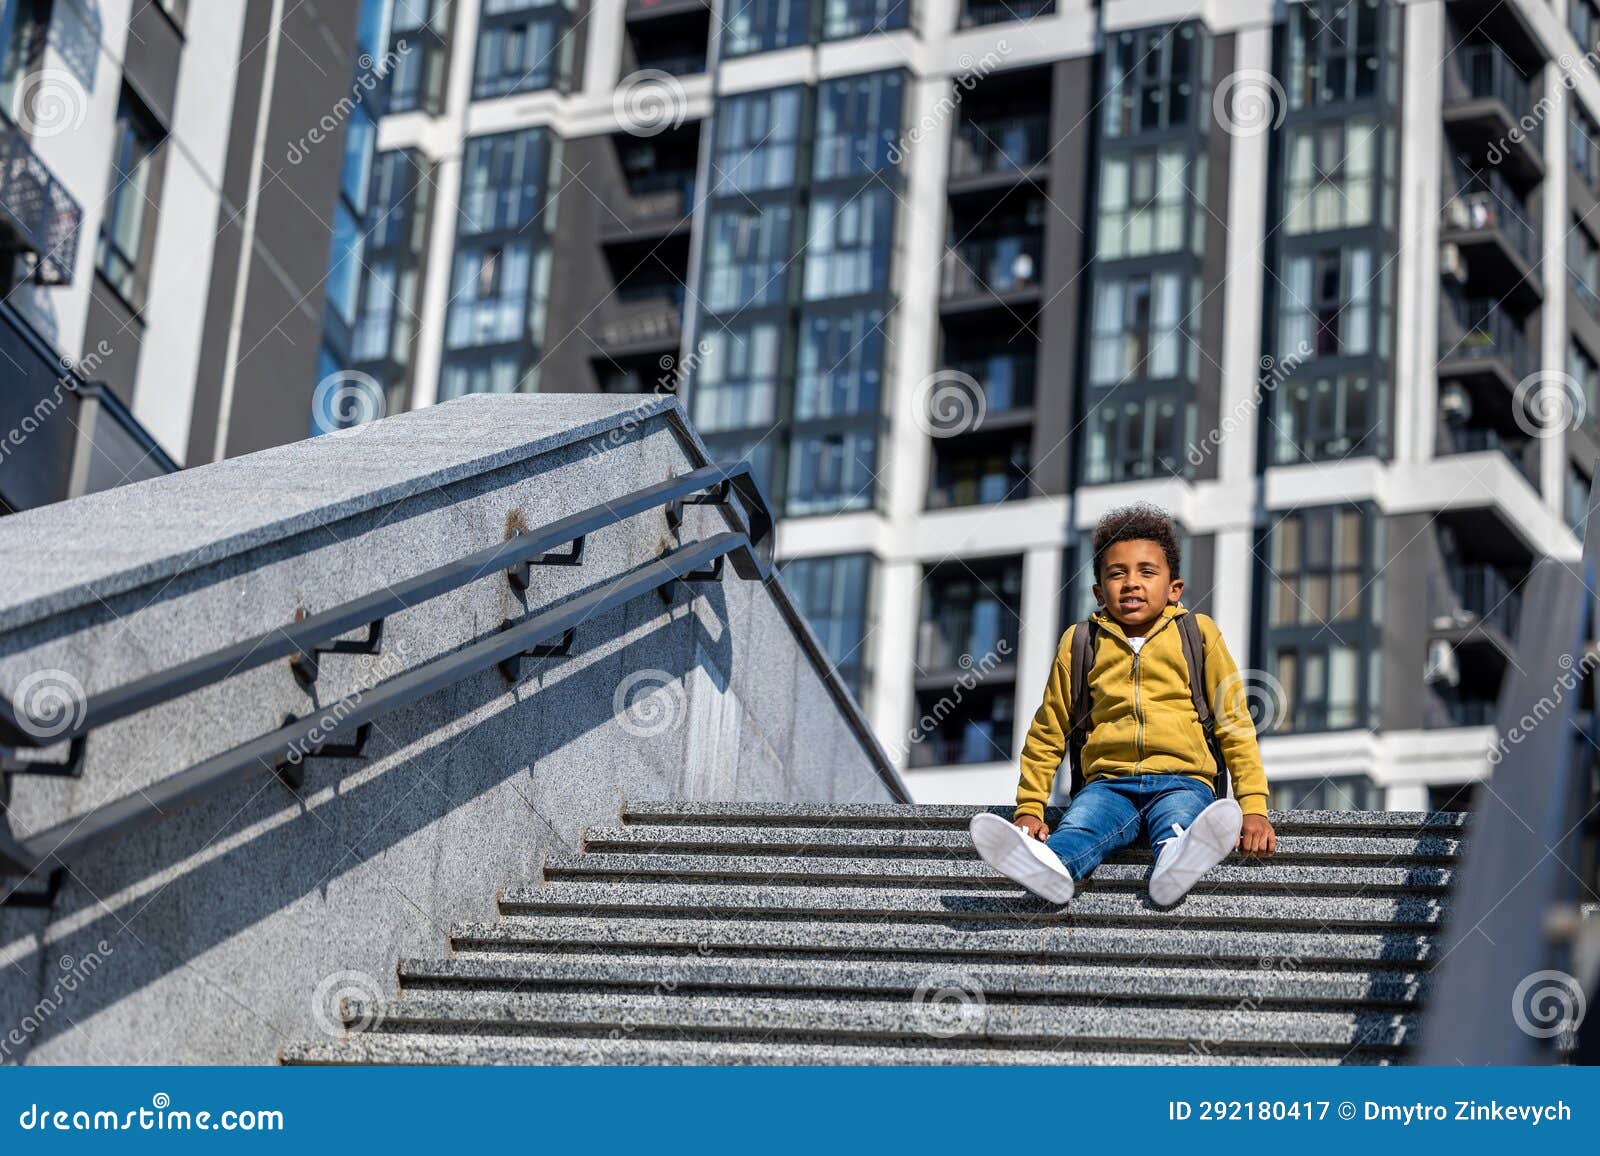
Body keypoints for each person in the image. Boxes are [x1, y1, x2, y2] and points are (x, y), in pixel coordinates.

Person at [970, 502, 1275, 906]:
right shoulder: (1080, 642)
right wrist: (1030, 808)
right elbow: (1048, 732)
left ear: (1173, 588)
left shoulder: (1198, 635)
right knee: (1080, 826)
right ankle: (1053, 868)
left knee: (1181, 822)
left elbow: (1234, 724)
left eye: (1147, 572)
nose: (1132, 582)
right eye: (1117, 573)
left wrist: (1253, 807)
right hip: (1107, 784)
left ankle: (1176, 861)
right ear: (1099, 591)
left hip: (1183, 777)